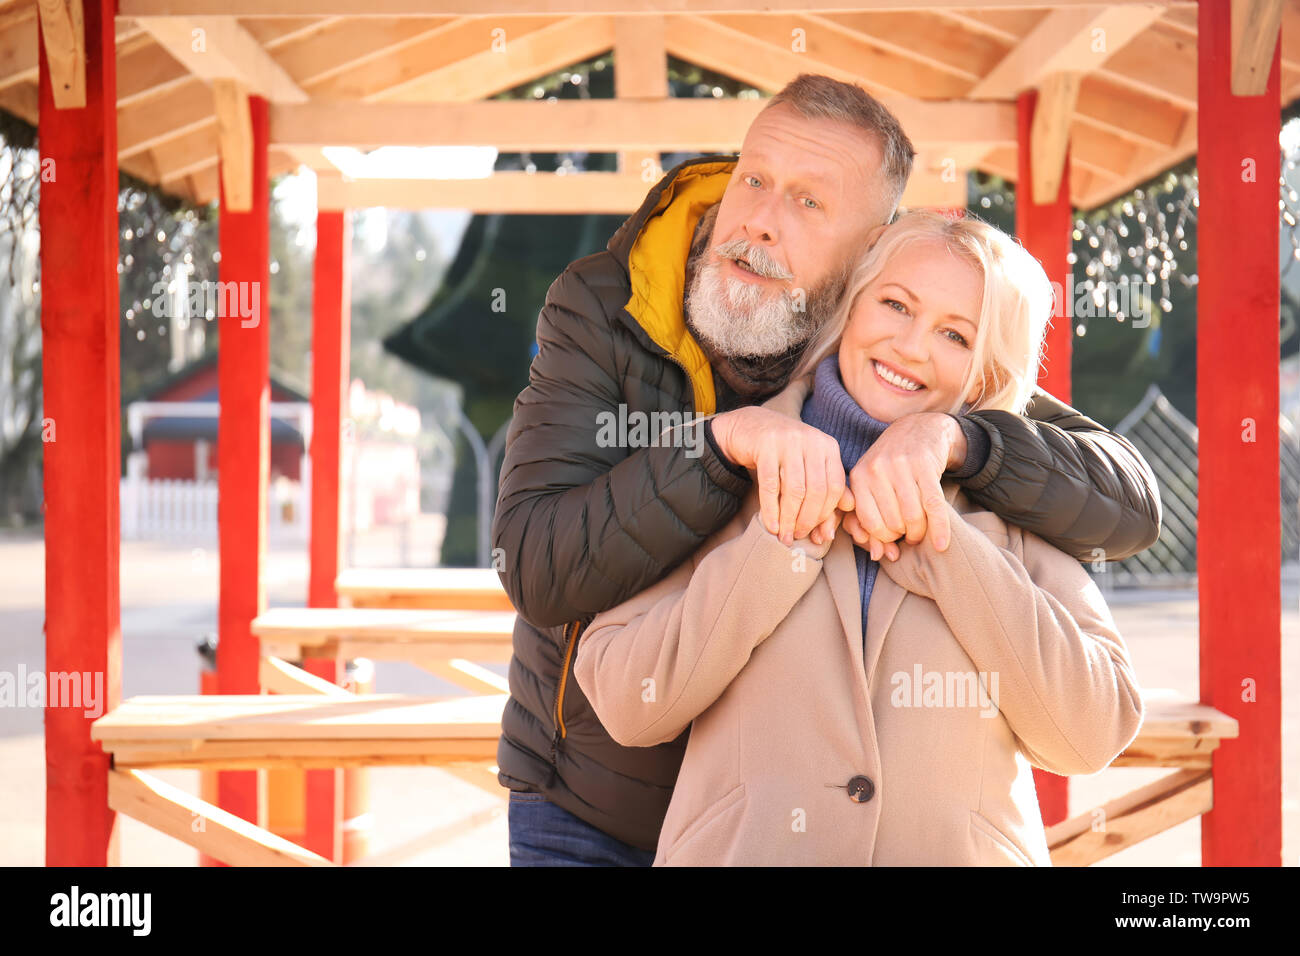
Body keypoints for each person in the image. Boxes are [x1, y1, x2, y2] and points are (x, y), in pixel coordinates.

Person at [493, 74, 1161, 866]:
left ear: (865, 258)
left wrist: (962, 447)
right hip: (592, 800)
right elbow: (535, 561)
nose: (761, 222)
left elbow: (1125, 503)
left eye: (810, 201)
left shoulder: (931, 361)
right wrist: (718, 457)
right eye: (755, 179)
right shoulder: (605, 306)